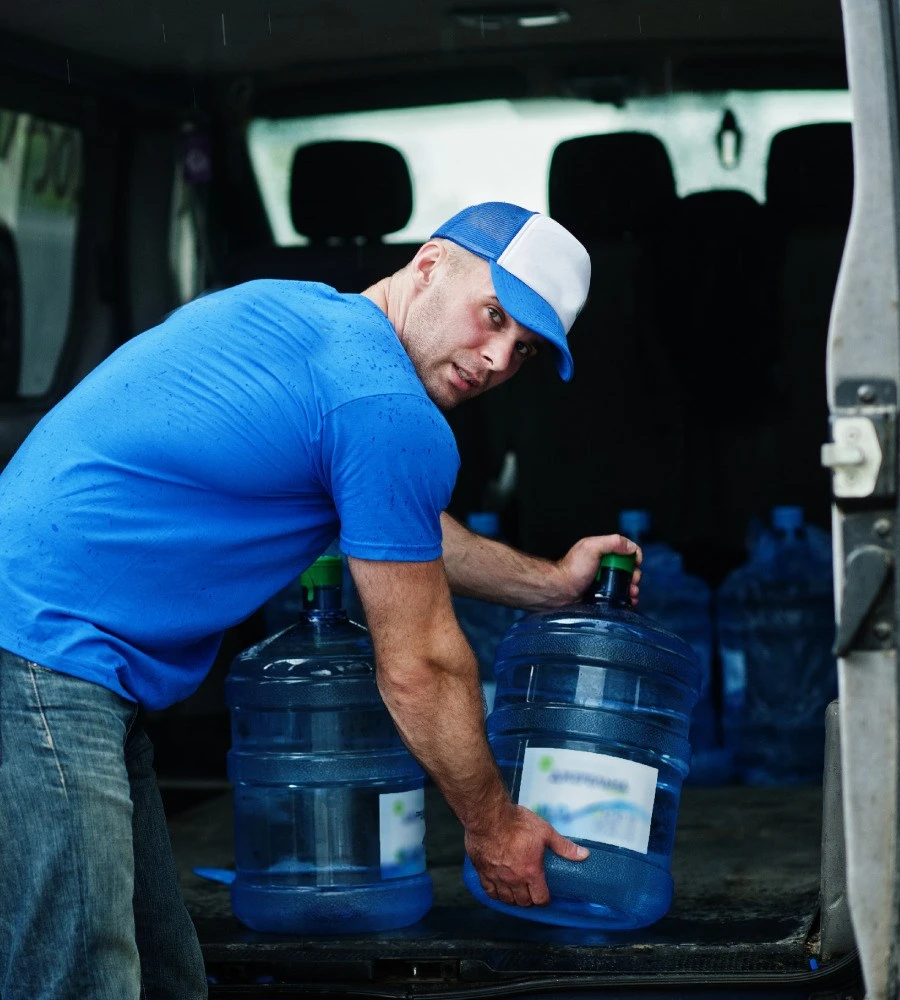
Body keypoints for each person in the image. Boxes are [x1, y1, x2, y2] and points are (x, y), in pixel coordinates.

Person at [0, 201, 642, 1000]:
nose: (499, 358)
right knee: (81, 980)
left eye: (526, 349)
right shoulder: (384, 409)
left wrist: (548, 584)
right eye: (495, 315)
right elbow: (423, 669)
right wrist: (494, 825)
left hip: (62, 656)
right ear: (431, 263)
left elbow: (399, 528)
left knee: (162, 976)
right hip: (38, 654)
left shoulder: (305, 316)